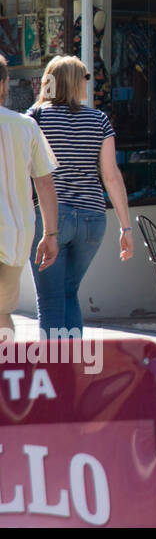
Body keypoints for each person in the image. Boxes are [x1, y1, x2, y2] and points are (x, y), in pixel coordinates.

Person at [26, 55, 133, 338]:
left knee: (50, 300)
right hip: (93, 219)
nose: (89, 83)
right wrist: (126, 227)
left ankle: (54, 372)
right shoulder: (99, 119)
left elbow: (24, 171)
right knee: (69, 293)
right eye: (85, 78)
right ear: (73, 82)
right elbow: (111, 175)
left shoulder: (35, 117)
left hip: (51, 218)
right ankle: (71, 370)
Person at [0, 55, 59, 338]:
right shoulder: (26, 126)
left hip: (14, 234)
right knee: (2, 315)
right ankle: (6, 378)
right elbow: (45, 184)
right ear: (4, 84)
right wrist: (51, 234)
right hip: (14, 235)